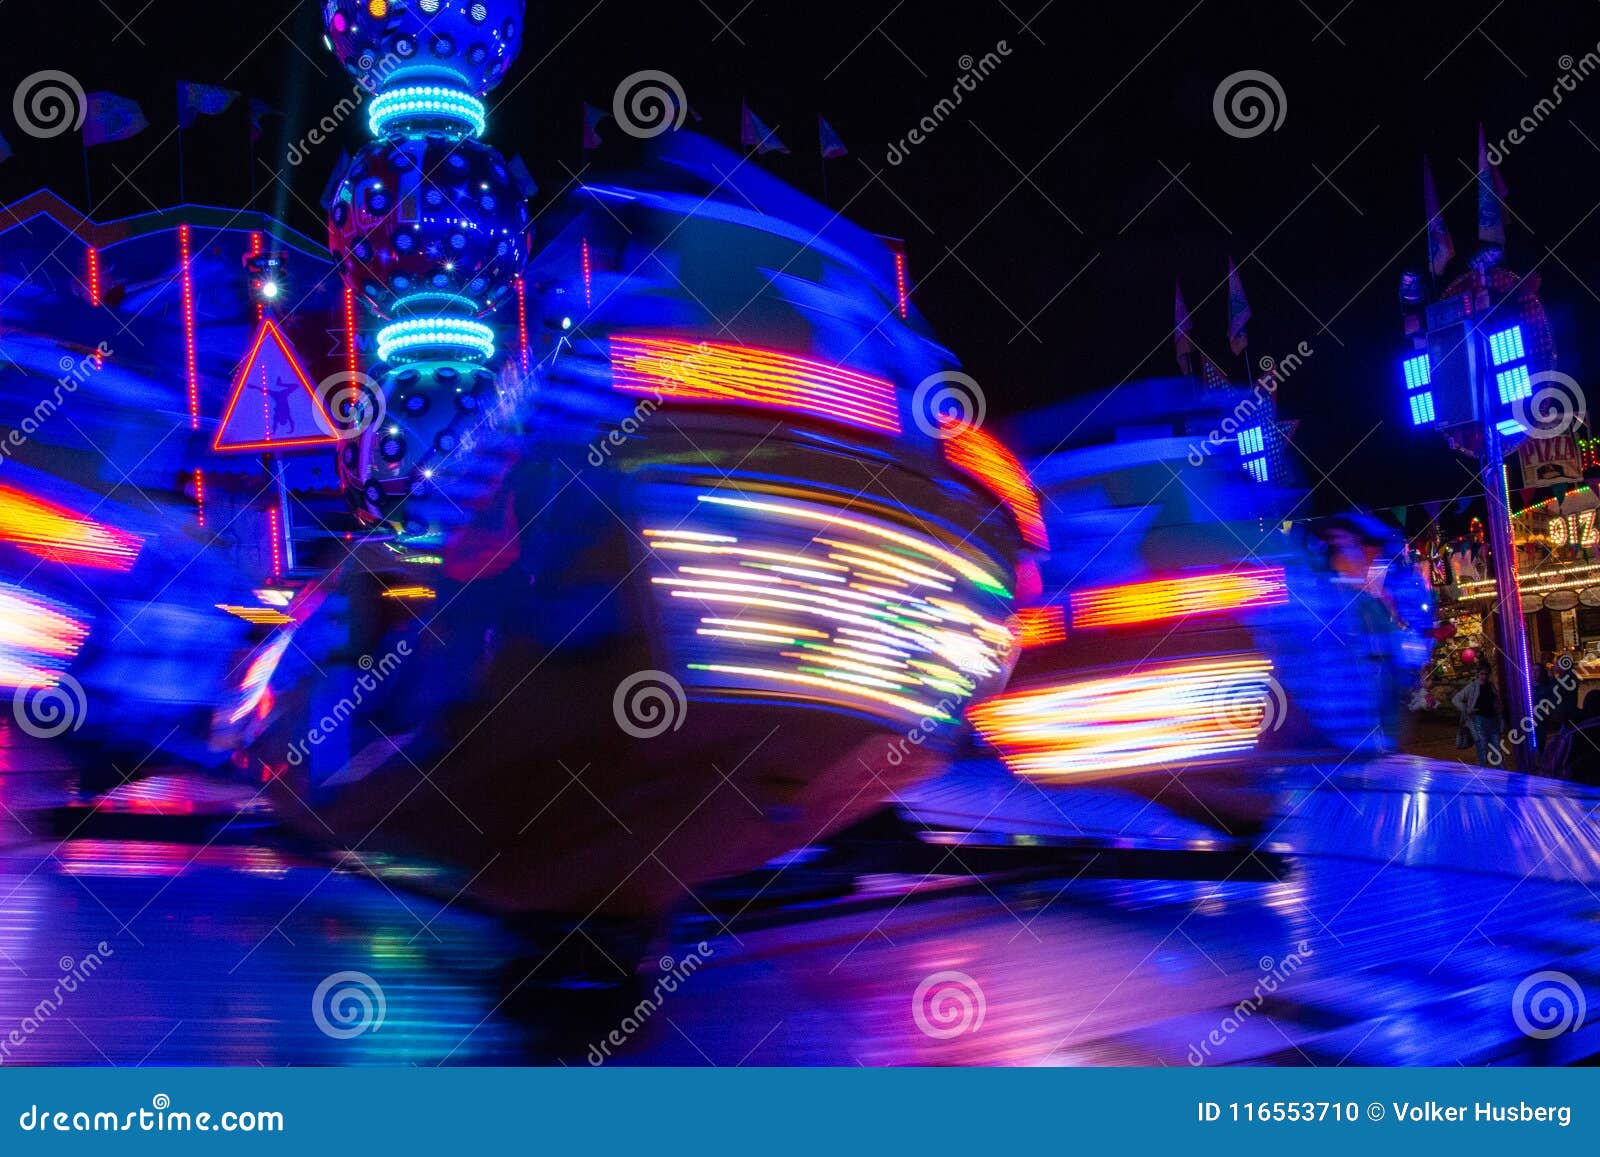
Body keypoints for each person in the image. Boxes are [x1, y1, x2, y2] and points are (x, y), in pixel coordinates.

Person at [1452, 666, 1503, 768]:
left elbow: (1497, 701)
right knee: (1482, 748)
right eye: (1482, 674)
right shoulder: (1472, 687)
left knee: (1496, 747)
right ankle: (1482, 772)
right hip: (1479, 721)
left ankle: (1500, 772)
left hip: (1493, 720)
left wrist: (1499, 711)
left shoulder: (1491, 686)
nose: (1484, 676)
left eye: (1486, 674)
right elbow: (1456, 699)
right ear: (1478, 674)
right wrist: (1466, 710)